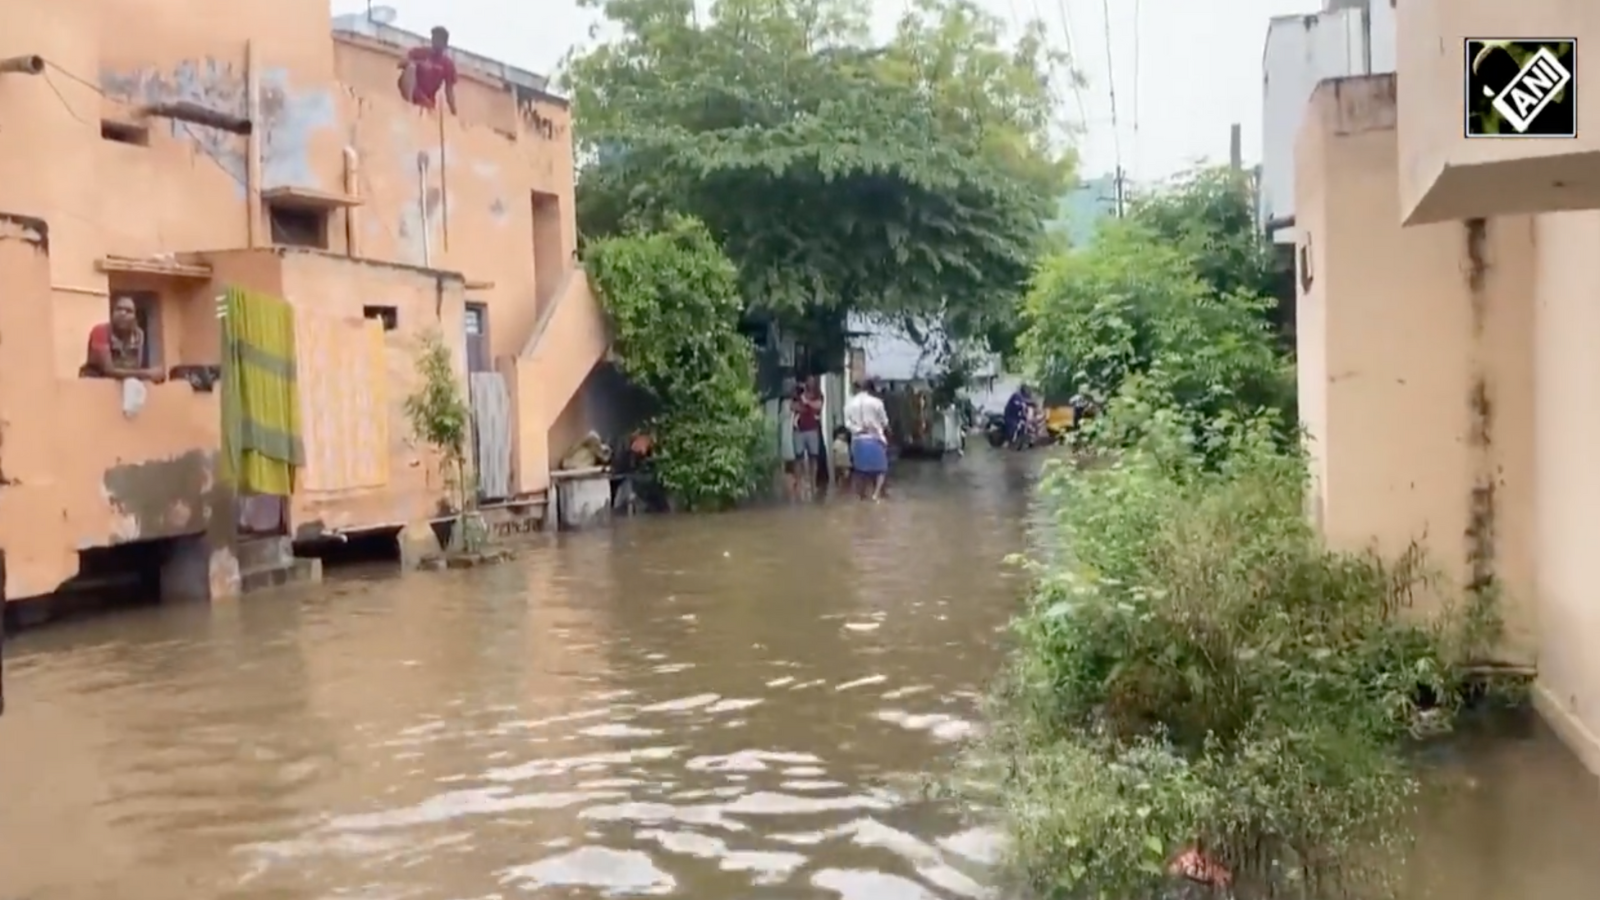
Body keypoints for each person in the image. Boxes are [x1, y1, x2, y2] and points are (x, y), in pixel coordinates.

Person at [81, 295, 165, 382]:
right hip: (99, 382)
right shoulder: (100, 331)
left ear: (135, 317)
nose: (123, 313)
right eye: (119, 309)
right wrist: (148, 374)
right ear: (112, 313)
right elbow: (109, 370)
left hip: (125, 384)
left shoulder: (138, 335)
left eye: (129, 311)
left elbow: (137, 366)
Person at [843, 380, 890, 500]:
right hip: (875, 438)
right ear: (871, 390)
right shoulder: (877, 403)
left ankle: (861, 495)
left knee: (860, 470)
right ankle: (876, 493)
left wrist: (858, 429)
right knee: (881, 469)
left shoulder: (849, 404)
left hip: (858, 439)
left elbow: (847, 423)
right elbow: (884, 422)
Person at [398, 26, 459, 114]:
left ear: (445, 44)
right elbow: (400, 63)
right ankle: (409, 105)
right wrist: (417, 63)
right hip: (411, 92)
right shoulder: (421, 52)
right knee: (411, 67)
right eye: (434, 38)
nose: (436, 42)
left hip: (427, 100)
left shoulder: (447, 64)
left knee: (428, 109)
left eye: (439, 40)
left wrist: (454, 112)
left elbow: (449, 90)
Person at [789, 378, 824, 499]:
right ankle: (798, 483)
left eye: (812, 381)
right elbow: (793, 407)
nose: (809, 383)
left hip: (812, 430)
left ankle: (813, 484)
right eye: (808, 381)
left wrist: (806, 402)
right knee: (798, 458)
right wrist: (805, 405)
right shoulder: (797, 395)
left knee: (813, 457)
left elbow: (818, 406)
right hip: (799, 430)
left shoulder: (818, 395)